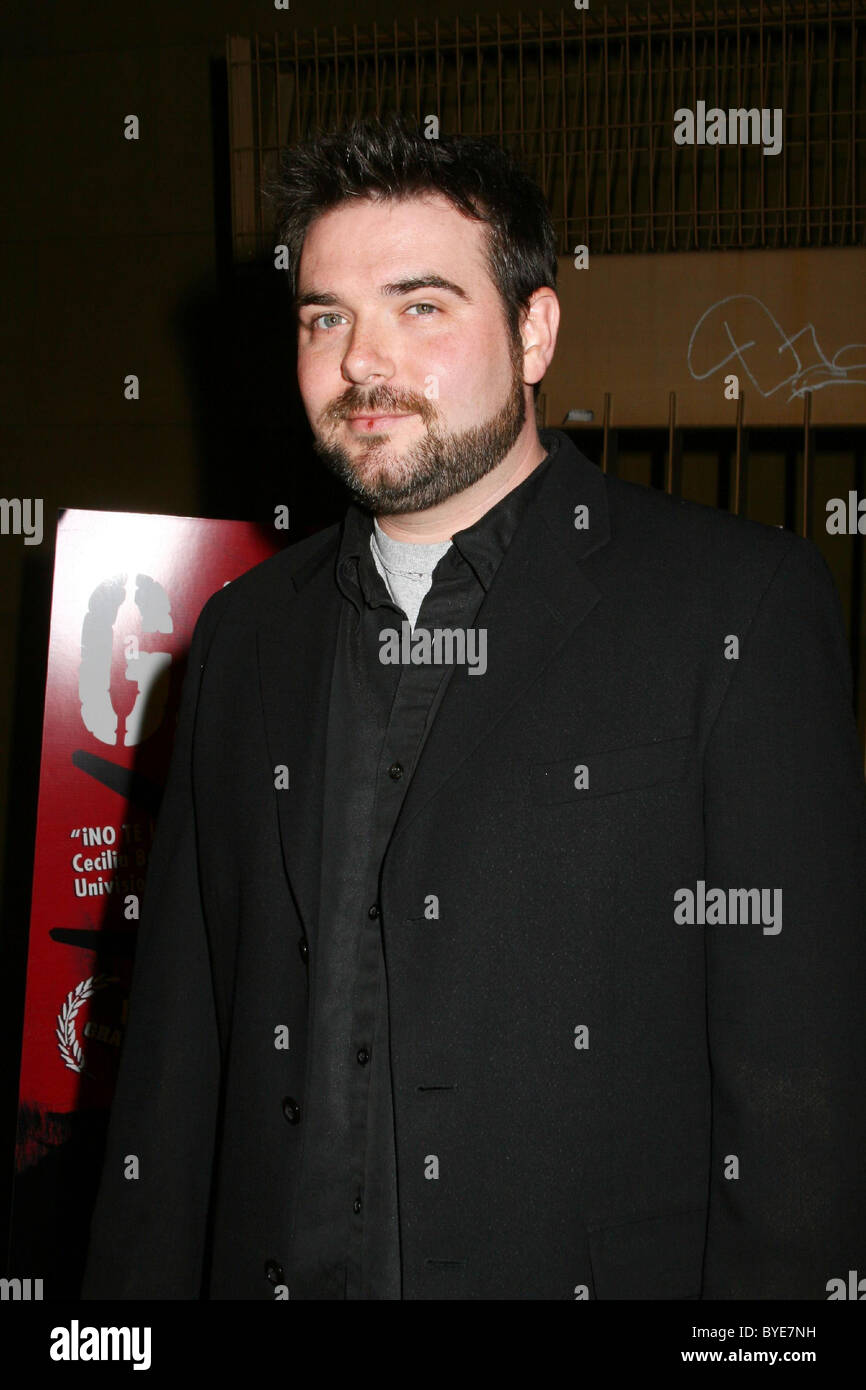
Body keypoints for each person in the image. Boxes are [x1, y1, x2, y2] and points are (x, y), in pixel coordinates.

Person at [81, 116, 866, 1300]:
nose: (360, 361)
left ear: (534, 328)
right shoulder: (245, 637)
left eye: (421, 306)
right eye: (324, 317)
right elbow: (179, 1062)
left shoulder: (732, 605)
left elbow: (802, 1097)